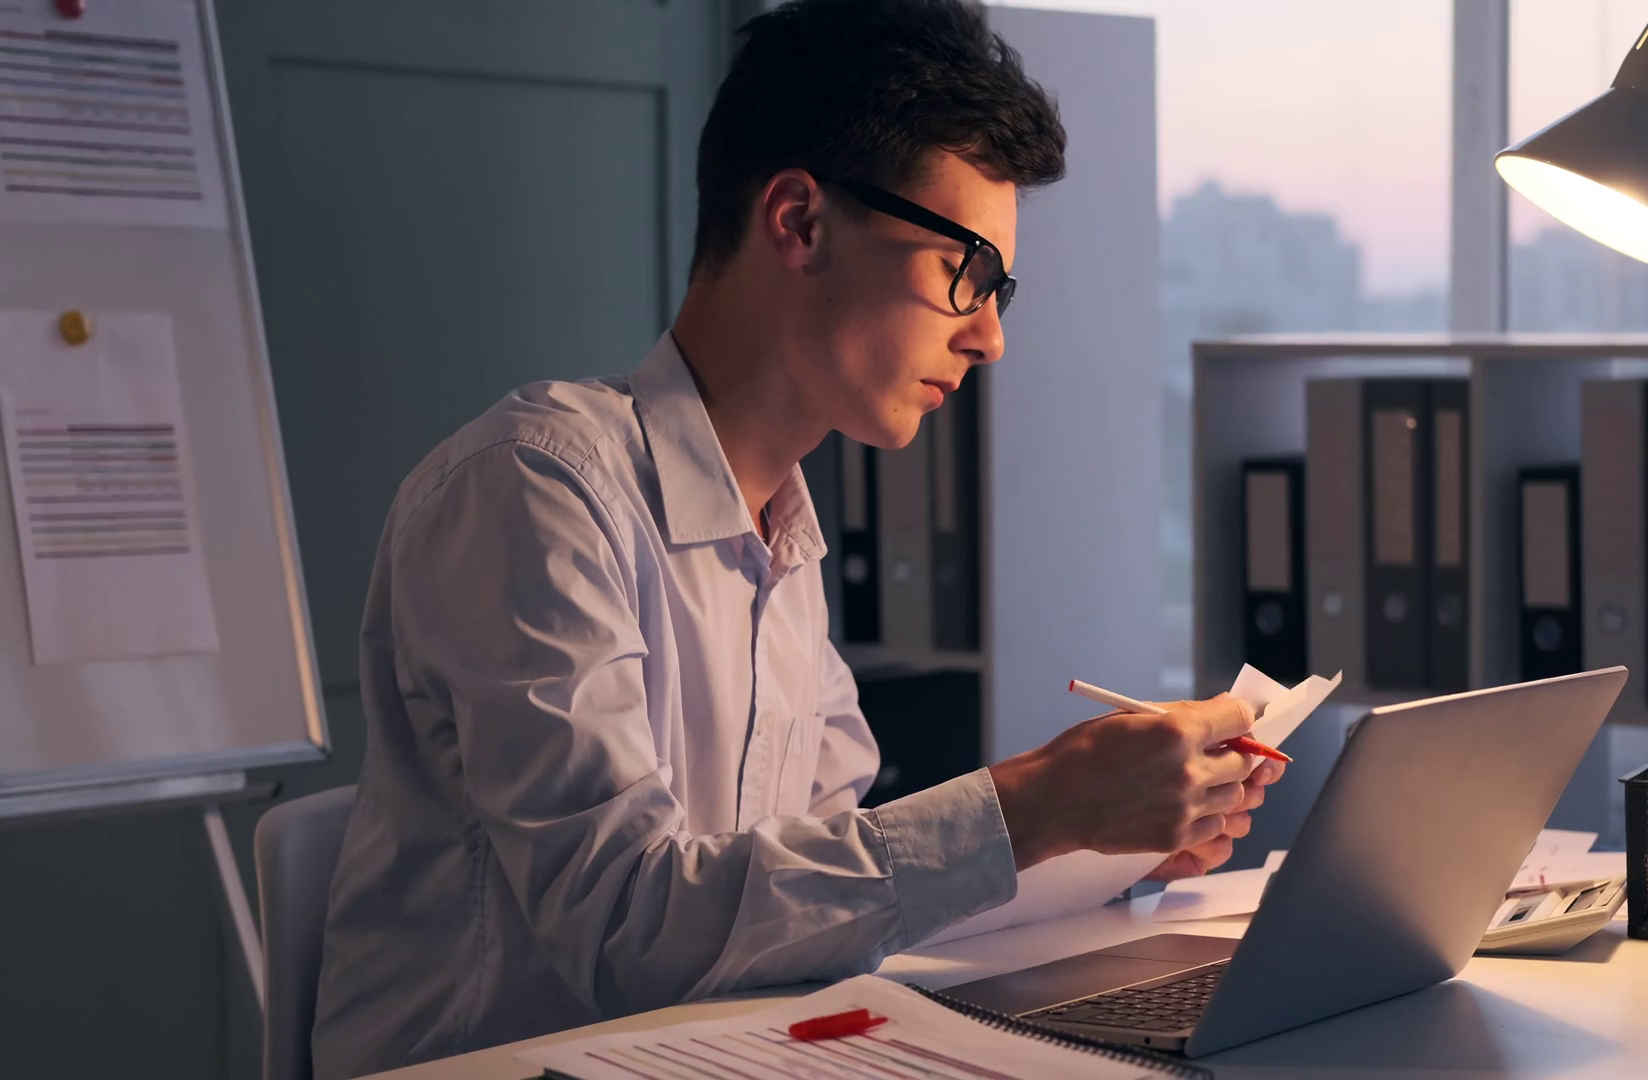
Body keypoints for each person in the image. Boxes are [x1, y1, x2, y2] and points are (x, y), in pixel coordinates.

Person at [310, 2, 1282, 1075]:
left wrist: (1100, 838)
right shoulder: (535, 489)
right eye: (965, 269)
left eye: (1000, 289)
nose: (990, 335)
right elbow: (623, 933)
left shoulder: (782, 535)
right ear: (800, 223)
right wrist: (1037, 802)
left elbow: (818, 901)